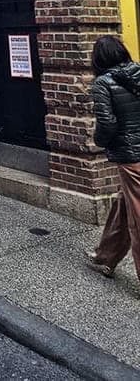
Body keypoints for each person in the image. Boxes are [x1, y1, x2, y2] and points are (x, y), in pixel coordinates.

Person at [87, 35, 140, 282]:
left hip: (131, 156)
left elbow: (107, 124)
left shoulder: (103, 83)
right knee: (123, 204)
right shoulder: (138, 72)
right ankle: (106, 257)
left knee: (138, 217)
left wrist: (99, 140)